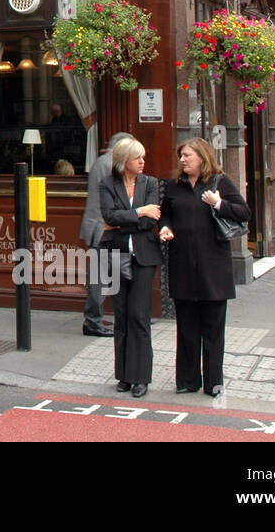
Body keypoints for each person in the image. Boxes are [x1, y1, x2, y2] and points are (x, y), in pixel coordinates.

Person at [158, 138, 251, 397]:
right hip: (183, 264)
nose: (182, 160)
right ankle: (188, 380)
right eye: (181, 156)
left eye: (187, 155)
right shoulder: (173, 186)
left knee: (212, 328)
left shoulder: (220, 182)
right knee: (186, 327)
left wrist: (218, 204)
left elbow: (244, 212)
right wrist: (165, 227)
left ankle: (214, 381)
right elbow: (166, 214)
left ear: (202, 157)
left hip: (214, 269)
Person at [98, 137, 162, 398]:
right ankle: (123, 375)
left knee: (139, 316)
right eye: (138, 158)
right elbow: (108, 216)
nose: (142, 162)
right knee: (121, 316)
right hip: (115, 255)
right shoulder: (108, 184)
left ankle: (141, 377)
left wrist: (128, 220)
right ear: (125, 162)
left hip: (143, 258)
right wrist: (139, 212)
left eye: (143, 157)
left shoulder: (151, 184)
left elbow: (151, 222)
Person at [78, 132, 132, 337]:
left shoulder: (103, 162)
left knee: (104, 276)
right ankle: (92, 322)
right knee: (100, 278)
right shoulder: (110, 164)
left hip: (99, 227)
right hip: (103, 229)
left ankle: (97, 319)